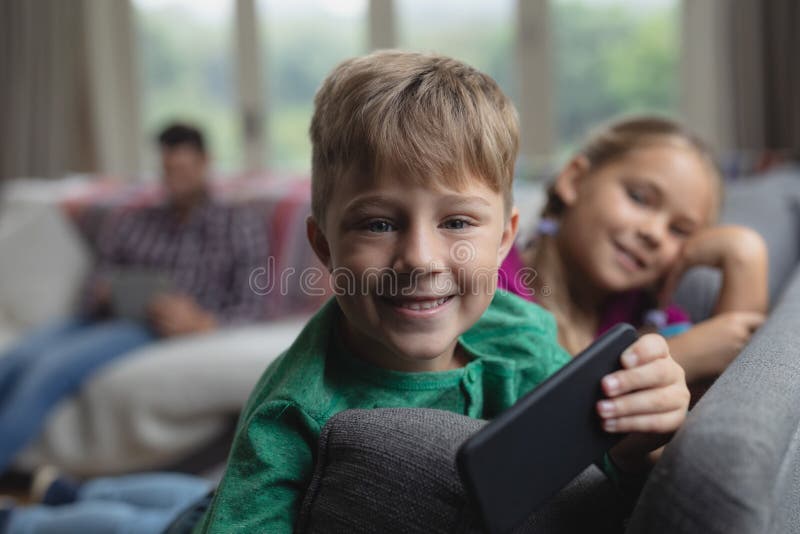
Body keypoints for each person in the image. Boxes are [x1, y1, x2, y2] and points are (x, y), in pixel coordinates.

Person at [1, 52, 690, 534]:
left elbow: (589, 495)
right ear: (325, 247)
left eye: (456, 222)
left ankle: (68, 489)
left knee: (167, 497)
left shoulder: (528, 340)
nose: (420, 258)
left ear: (506, 238)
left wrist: (638, 444)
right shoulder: (296, 407)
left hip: (211, 494)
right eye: (378, 223)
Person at [0, 123, 268, 473]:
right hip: (99, 316)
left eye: (183, 170)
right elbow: (97, 276)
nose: (174, 180)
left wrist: (203, 322)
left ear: (205, 162)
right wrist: (106, 289)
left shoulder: (237, 224)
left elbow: (254, 302)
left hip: (149, 327)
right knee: (16, 357)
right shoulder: (135, 220)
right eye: (167, 170)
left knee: (49, 371)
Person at [498, 116, 768, 389]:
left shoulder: (652, 316)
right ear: (575, 180)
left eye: (679, 230)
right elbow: (534, 417)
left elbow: (734, 402)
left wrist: (744, 255)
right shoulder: (490, 288)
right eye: (638, 198)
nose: (654, 233)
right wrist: (679, 355)